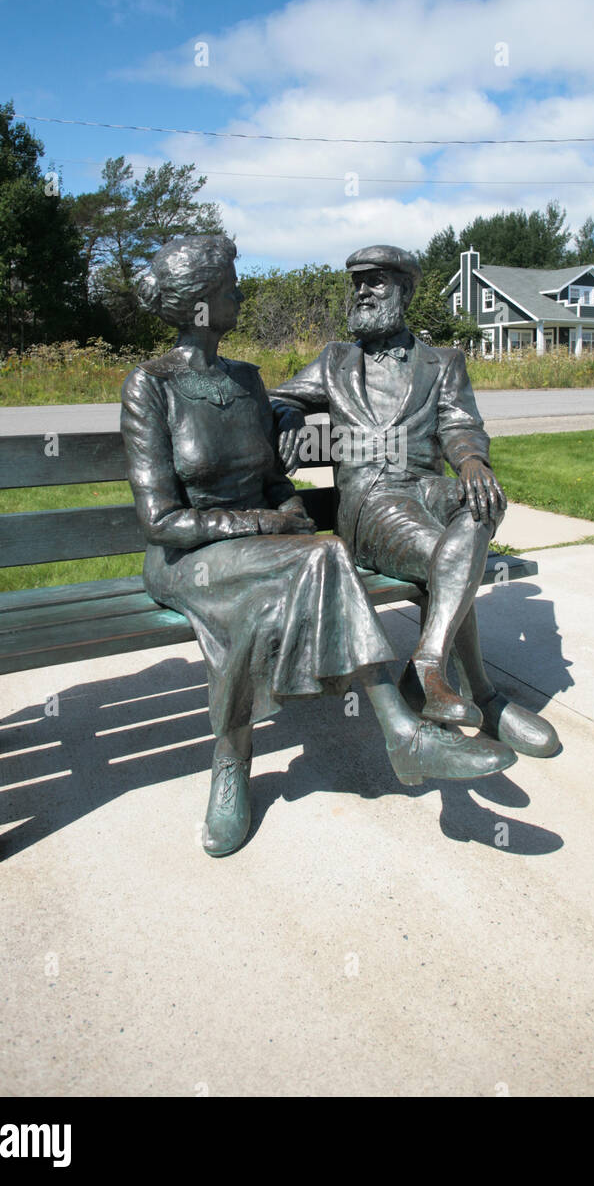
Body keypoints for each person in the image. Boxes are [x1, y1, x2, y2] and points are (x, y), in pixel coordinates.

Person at [120, 235, 516, 858]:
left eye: (377, 280)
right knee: (313, 565)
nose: (241, 292)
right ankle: (237, 759)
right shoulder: (150, 385)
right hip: (184, 558)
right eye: (230, 286)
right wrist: (268, 525)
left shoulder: (248, 381)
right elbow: (163, 520)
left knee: (329, 555)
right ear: (200, 303)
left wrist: (287, 510)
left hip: (273, 546)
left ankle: (416, 710)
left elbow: (277, 483)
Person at [271, 244, 560, 758]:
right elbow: (278, 396)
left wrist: (472, 463)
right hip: (374, 503)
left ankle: (428, 662)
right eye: (357, 282)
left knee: (481, 507)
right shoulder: (336, 360)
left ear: (404, 290)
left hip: (427, 487)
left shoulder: (444, 362)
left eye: (376, 281)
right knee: (447, 559)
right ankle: (482, 695)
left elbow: (461, 425)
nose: (362, 291)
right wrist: (292, 416)